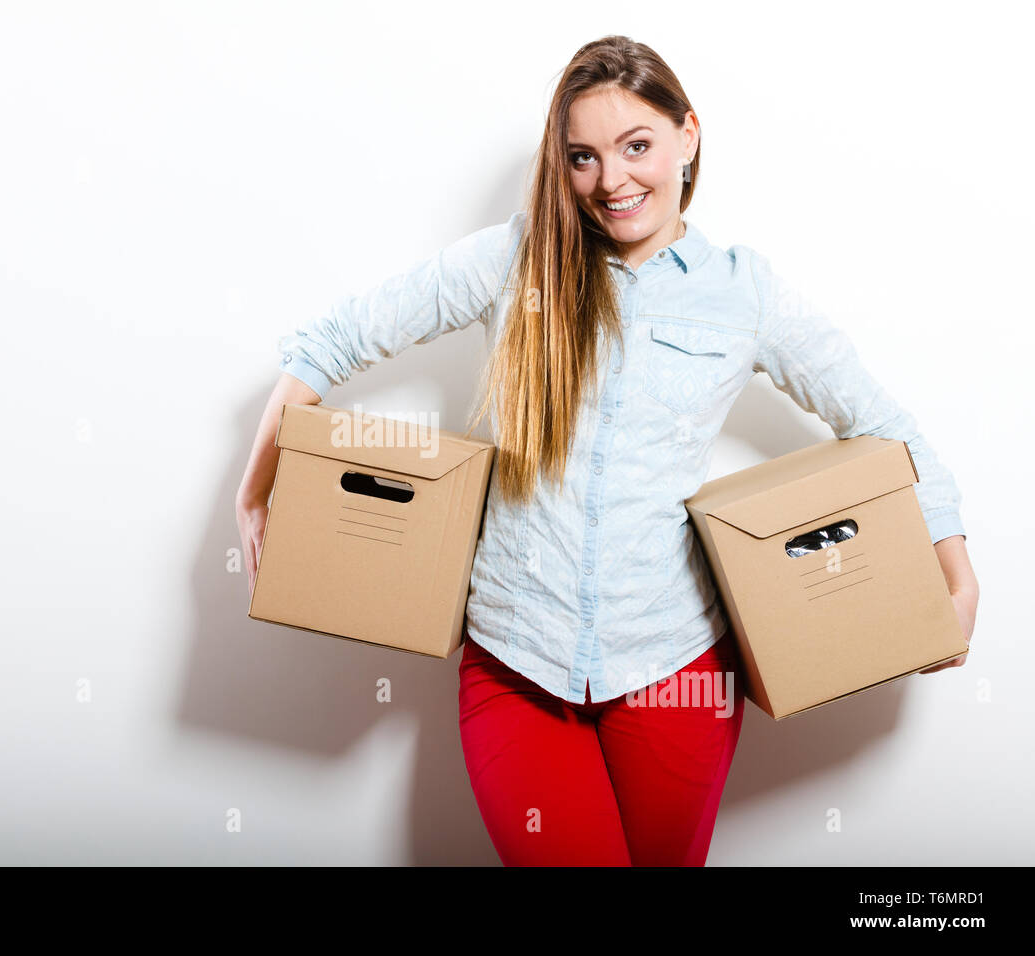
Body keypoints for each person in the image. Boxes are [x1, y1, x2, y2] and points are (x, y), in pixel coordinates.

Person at [235, 35, 980, 866]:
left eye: (636, 146)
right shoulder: (514, 258)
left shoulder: (745, 293)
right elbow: (334, 340)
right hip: (515, 665)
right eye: (583, 157)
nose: (612, 180)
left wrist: (958, 579)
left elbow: (886, 429)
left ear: (687, 135)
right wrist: (255, 487)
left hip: (677, 672)